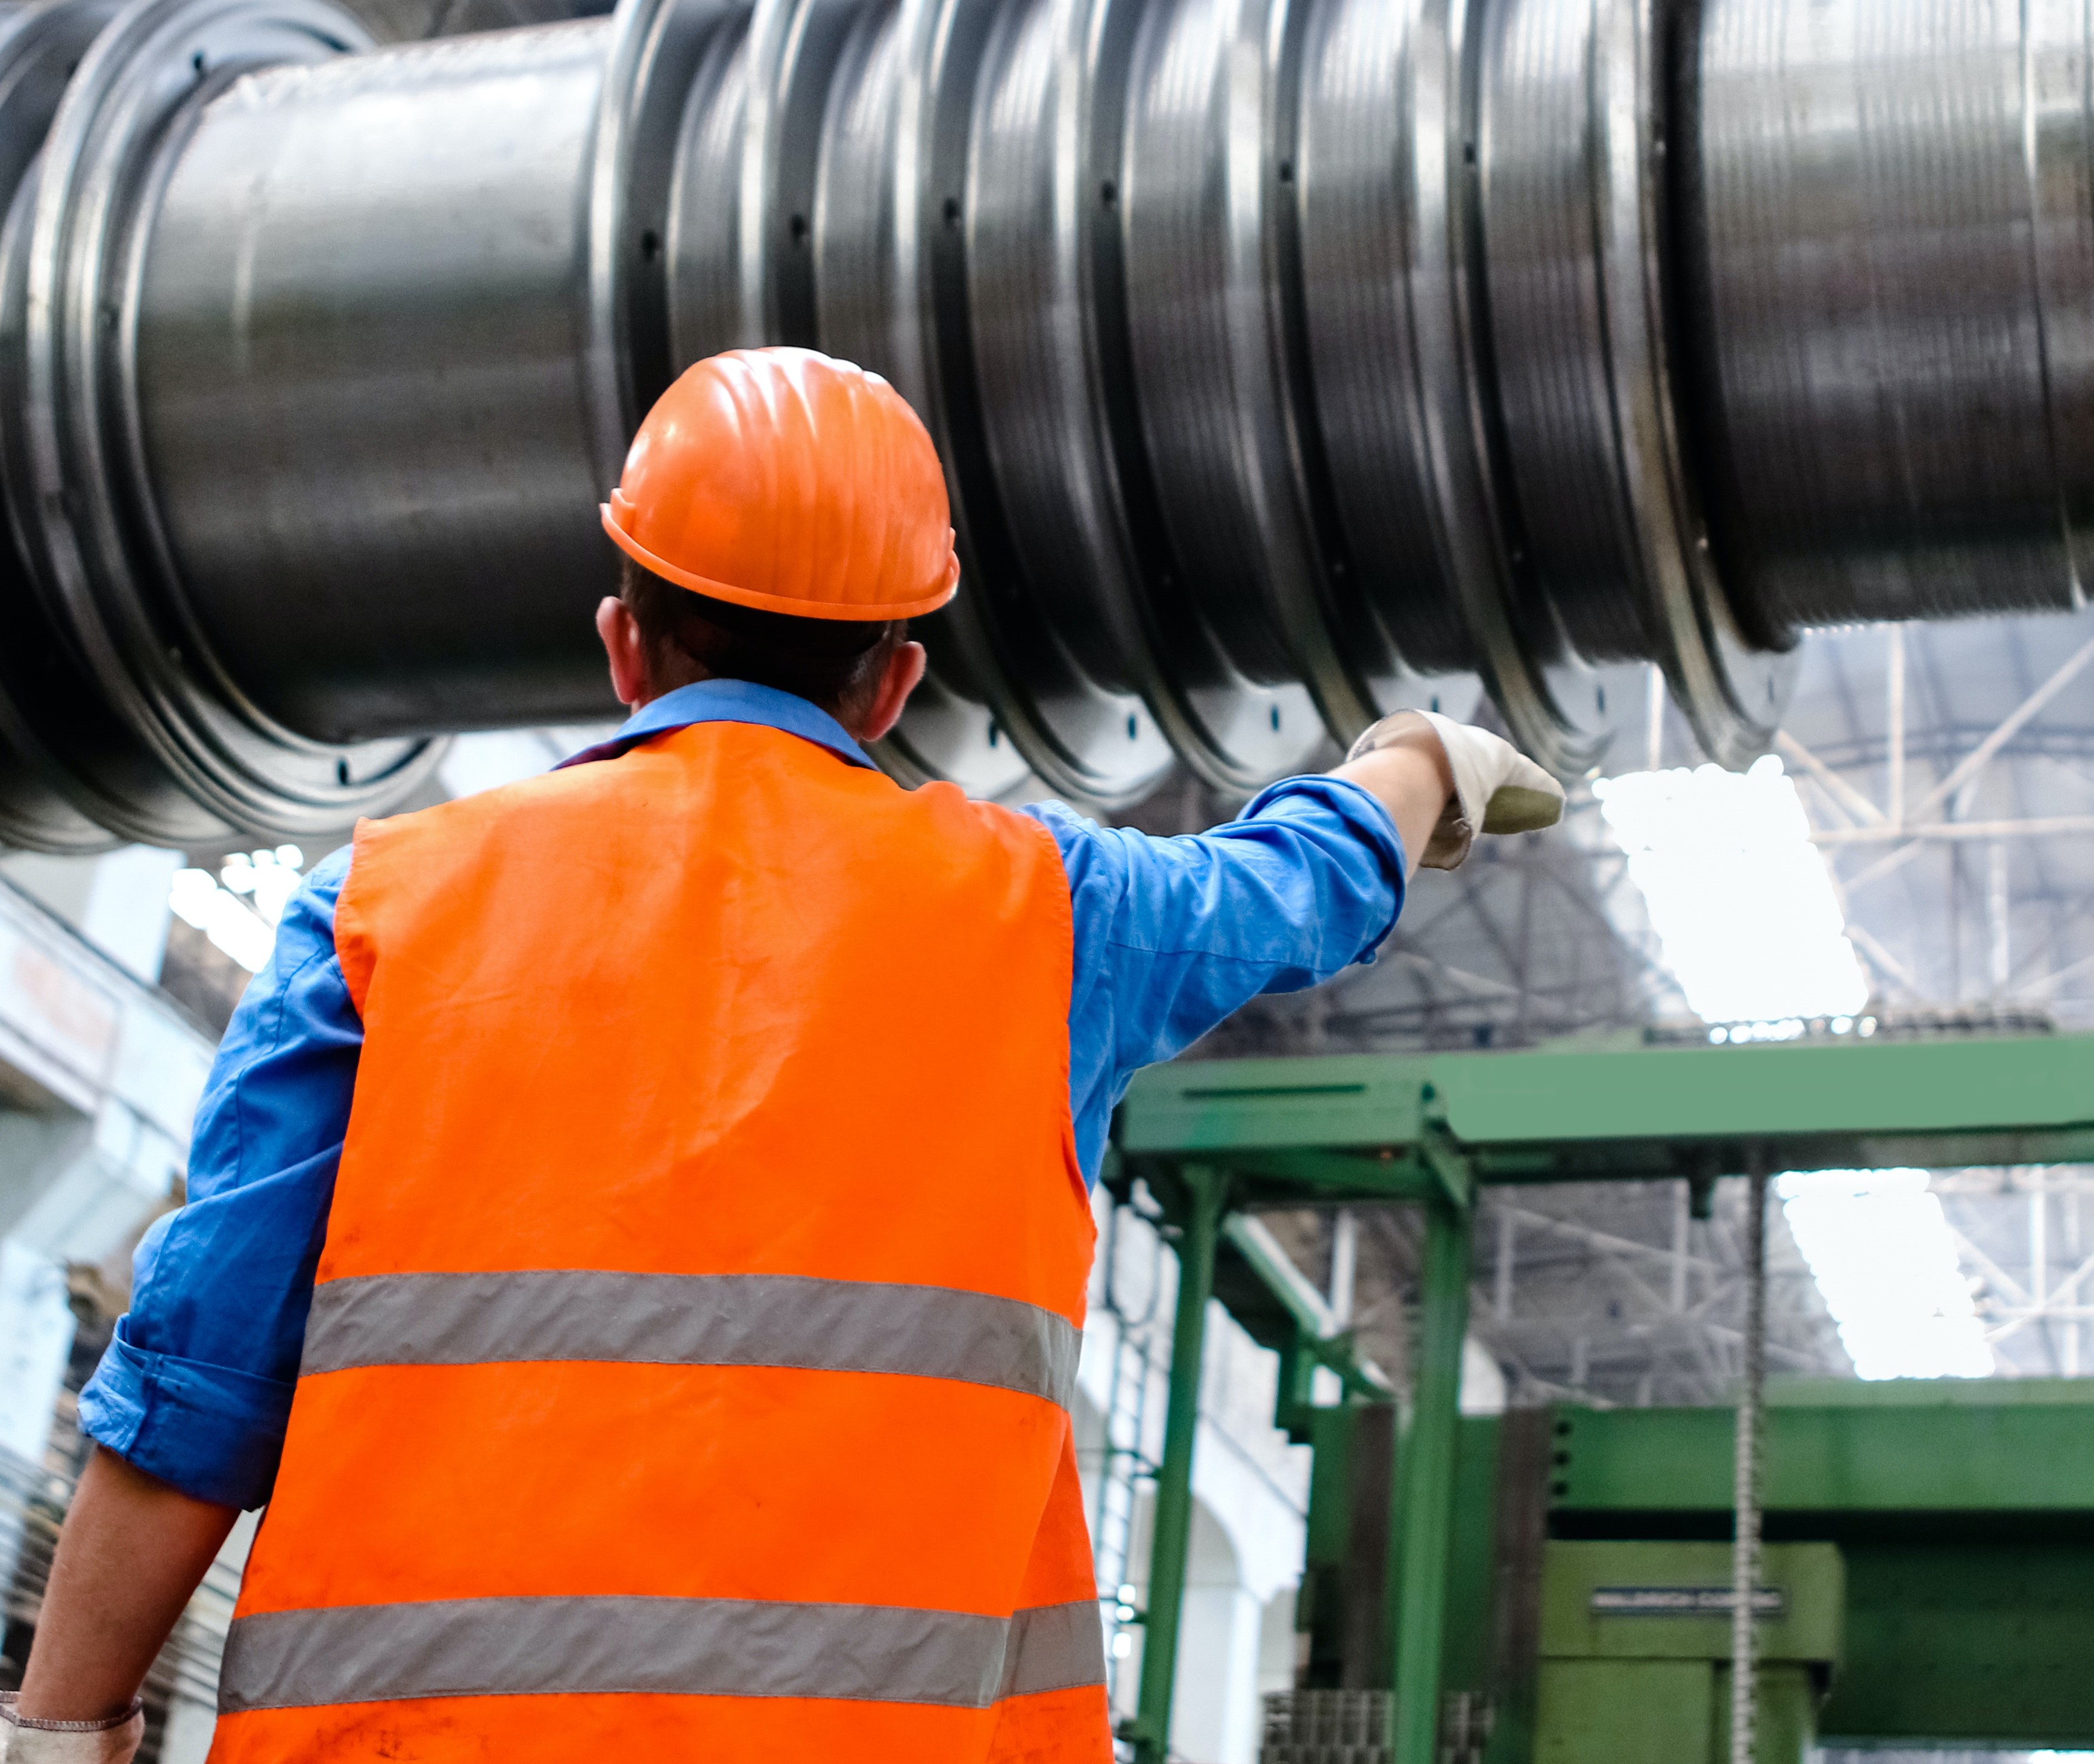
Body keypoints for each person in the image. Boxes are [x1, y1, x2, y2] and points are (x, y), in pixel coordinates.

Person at [7, 349, 1561, 1763]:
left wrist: (66, 1731)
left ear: (623, 645)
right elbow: (1295, 888)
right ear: (896, 684)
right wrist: (1415, 761)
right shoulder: (1053, 914)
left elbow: (196, 1382)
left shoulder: (382, 909)